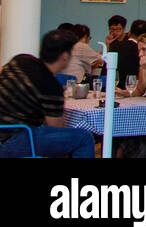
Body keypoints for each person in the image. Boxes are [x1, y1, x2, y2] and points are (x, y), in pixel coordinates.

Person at [0, 29, 97, 158]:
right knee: (84, 138)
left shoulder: (21, 60)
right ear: (65, 56)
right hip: (12, 140)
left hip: (5, 132)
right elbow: (55, 128)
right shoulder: (51, 86)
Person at [105, 14, 139, 79]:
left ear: (124, 29)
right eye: (112, 29)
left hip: (127, 75)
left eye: (118, 29)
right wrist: (107, 44)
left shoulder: (130, 42)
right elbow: (107, 59)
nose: (115, 32)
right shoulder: (112, 42)